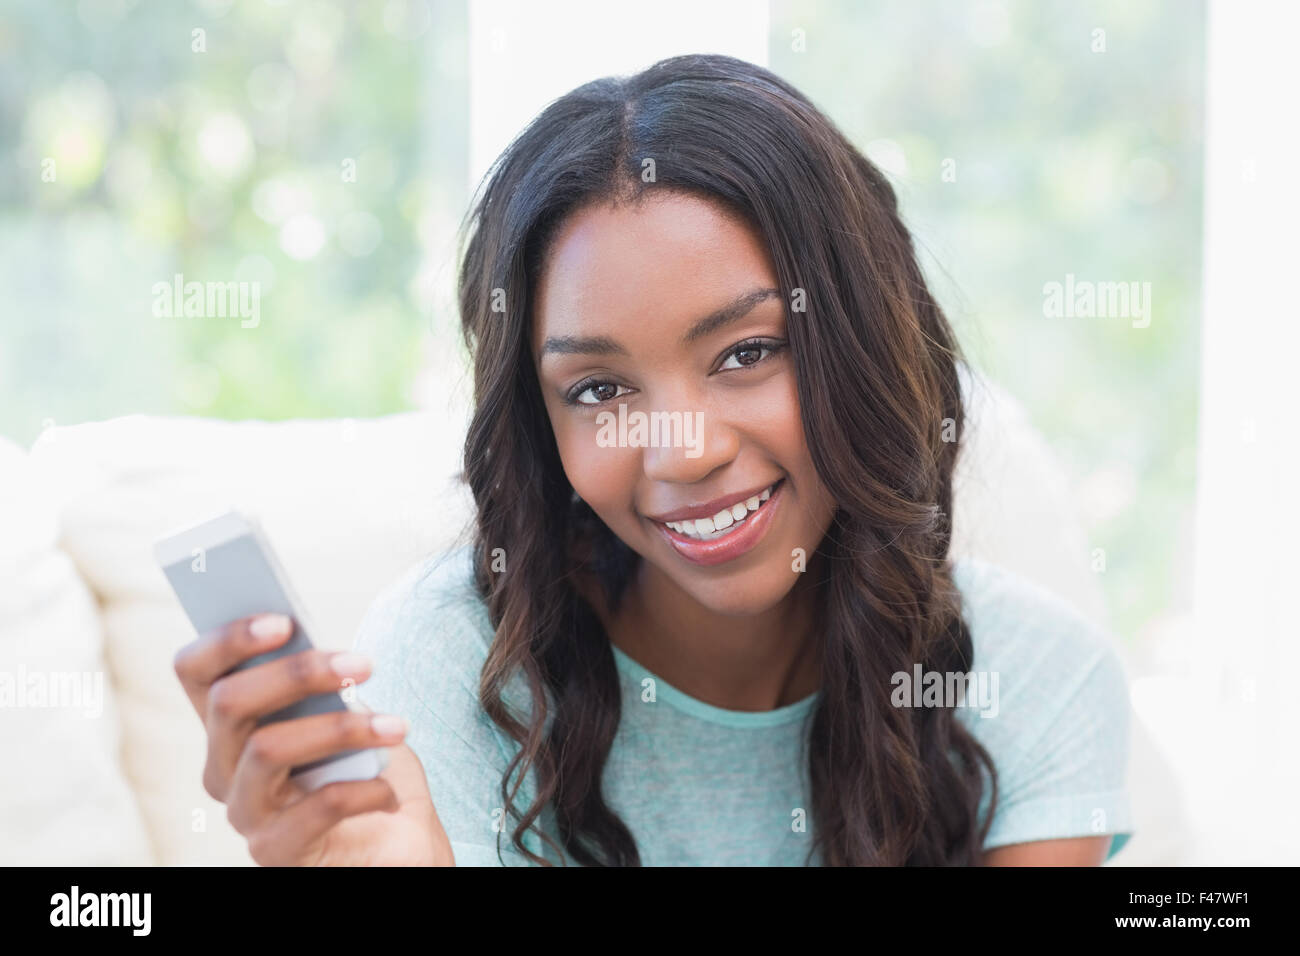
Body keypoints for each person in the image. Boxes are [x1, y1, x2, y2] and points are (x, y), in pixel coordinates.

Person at [173, 53, 1133, 866]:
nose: (685, 452)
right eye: (599, 390)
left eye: (747, 354)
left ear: (863, 340)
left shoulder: (1034, 680)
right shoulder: (448, 671)